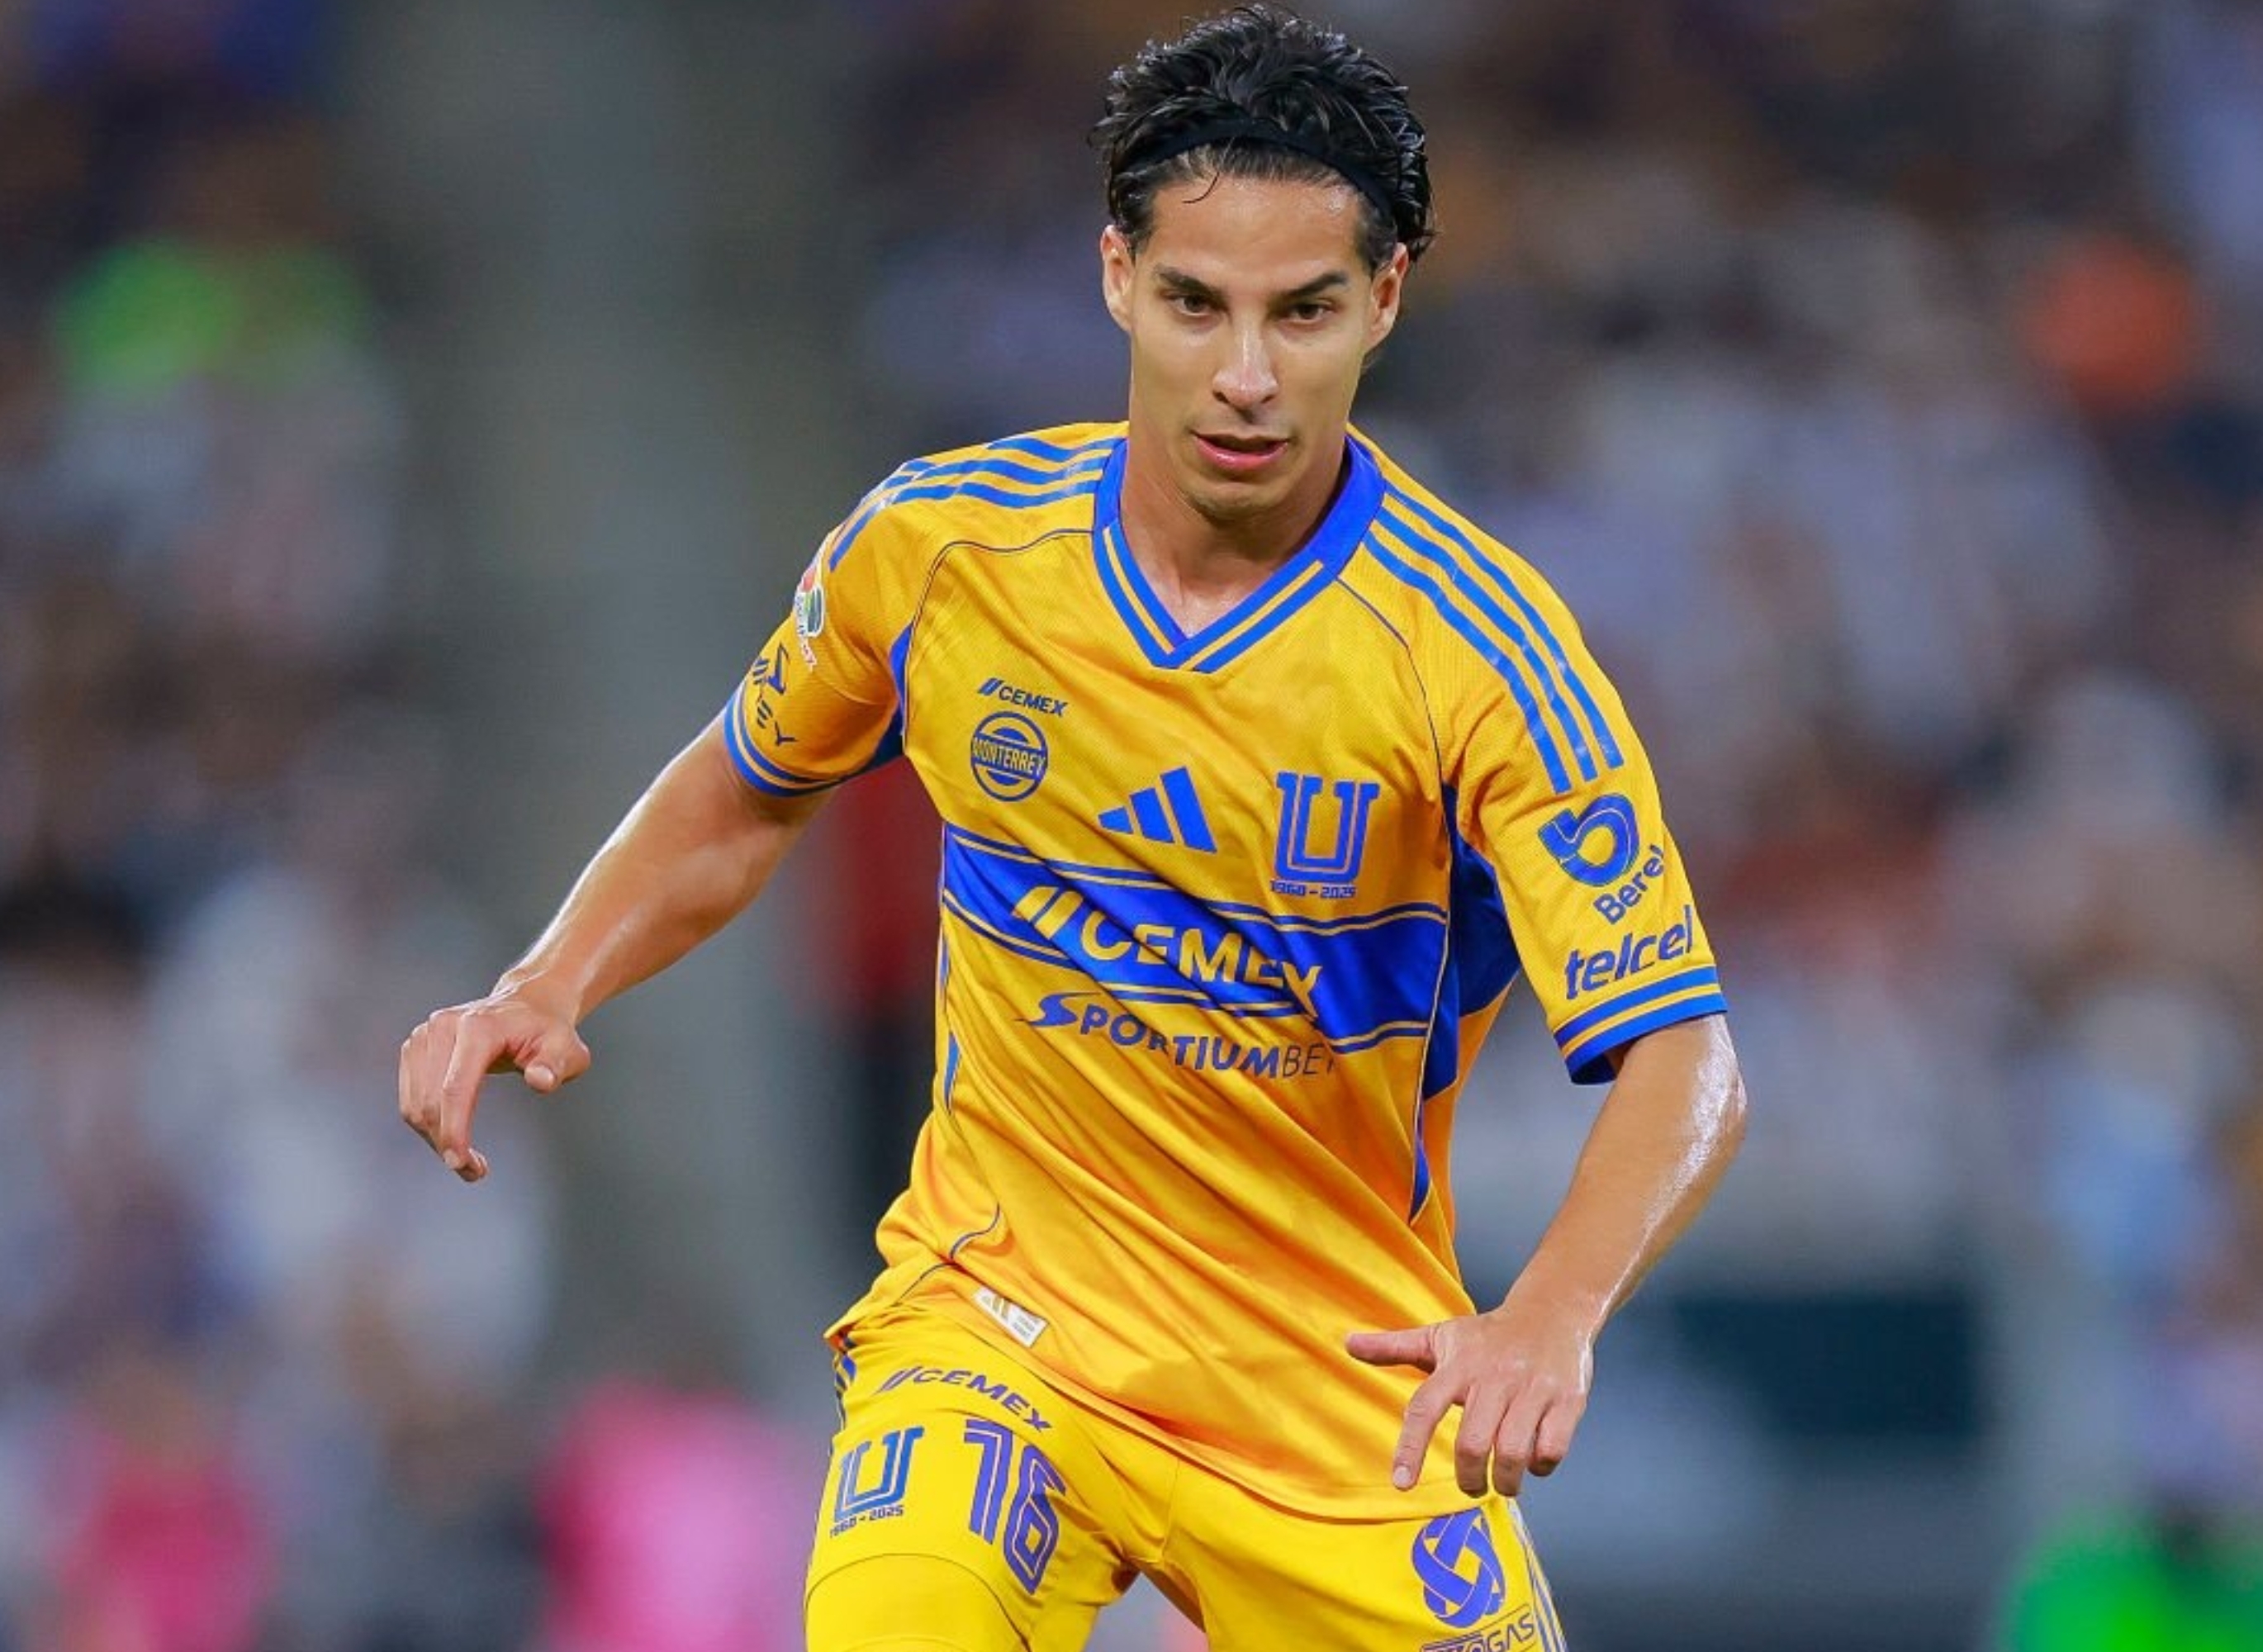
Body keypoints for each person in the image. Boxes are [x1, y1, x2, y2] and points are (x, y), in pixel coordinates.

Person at [396, 7, 1748, 1646]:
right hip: (999, 1320)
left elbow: (1683, 1055)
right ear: (1115, 276)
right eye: (1193, 303)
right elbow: (748, 780)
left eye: (1300, 311)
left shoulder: (1477, 651)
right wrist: (549, 977)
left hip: (1335, 1385)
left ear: (1379, 301)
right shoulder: (942, 552)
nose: (1241, 374)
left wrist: (1549, 1311)